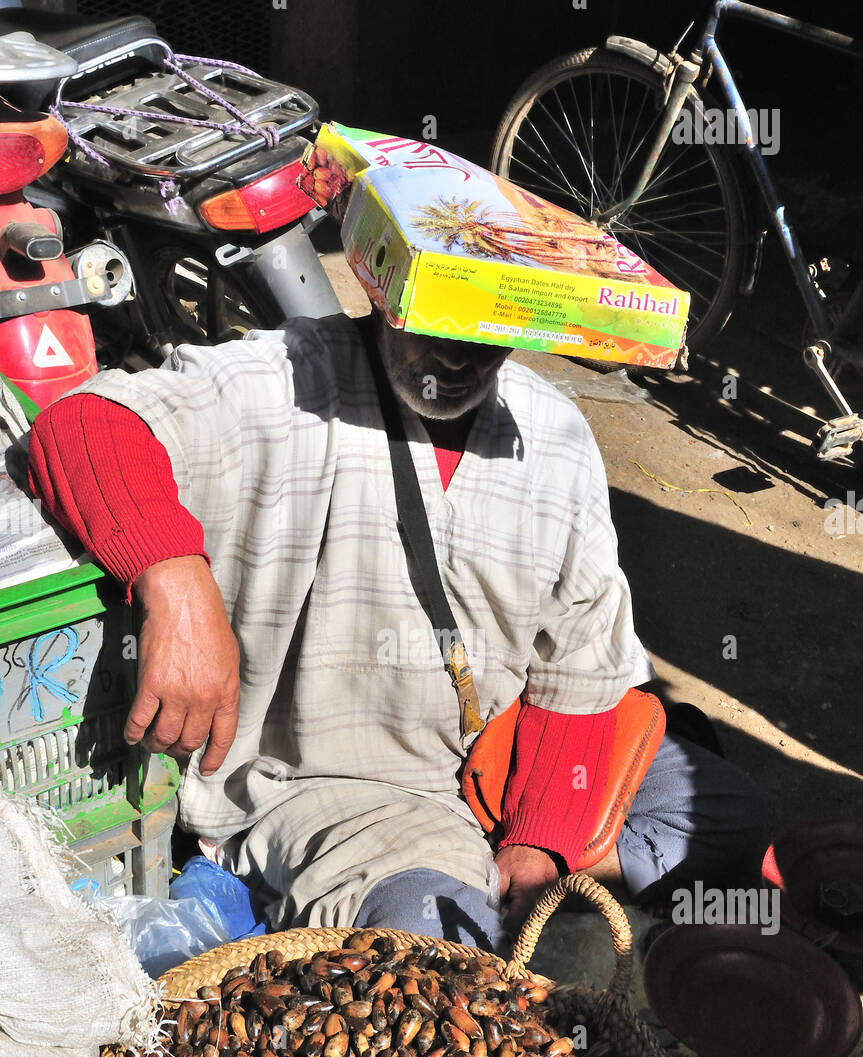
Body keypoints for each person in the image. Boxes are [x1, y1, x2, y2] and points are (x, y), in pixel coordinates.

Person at [26, 307, 764, 952]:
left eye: (488, 330)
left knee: (723, 820)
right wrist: (175, 582)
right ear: (384, 288)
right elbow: (85, 424)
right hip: (333, 780)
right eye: (434, 324)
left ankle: (506, 884)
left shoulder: (554, 433)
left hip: (495, 744)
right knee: (435, 936)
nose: (455, 355)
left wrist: (541, 840)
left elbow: (576, 670)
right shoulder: (280, 380)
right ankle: (435, 893)